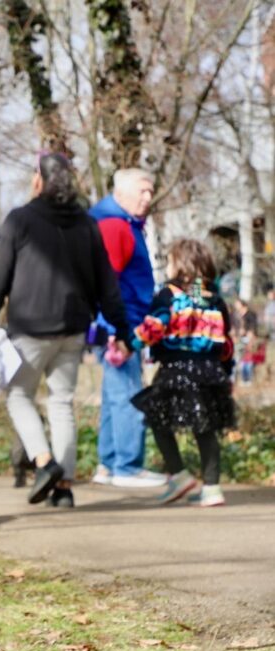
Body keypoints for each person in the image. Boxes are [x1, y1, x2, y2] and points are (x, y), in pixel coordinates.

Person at [0, 153, 131, 508]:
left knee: (19, 396)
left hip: (29, 329)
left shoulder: (20, 220)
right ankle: (63, 489)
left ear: (39, 180)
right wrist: (122, 329)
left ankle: (45, 462)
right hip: (73, 329)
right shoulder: (87, 223)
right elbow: (107, 284)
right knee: (61, 402)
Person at [130, 239, 235, 507]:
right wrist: (226, 372)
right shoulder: (214, 299)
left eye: (169, 261)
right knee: (205, 427)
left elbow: (154, 326)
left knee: (158, 419)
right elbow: (226, 342)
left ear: (180, 265)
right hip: (210, 371)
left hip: (175, 369)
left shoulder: (168, 295)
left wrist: (130, 343)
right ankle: (212, 487)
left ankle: (178, 475)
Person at [89, 169, 167, 489]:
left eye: (151, 191)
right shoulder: (115, 225)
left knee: (114, 395)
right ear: (120, 193)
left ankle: (108, 464)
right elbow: (107, 283)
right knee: (128, 395)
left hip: (119, 324)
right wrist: (116, 331)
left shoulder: (121, 222)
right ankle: (128, 466)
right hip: (121, 327)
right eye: (142, 191)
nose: (148, 197)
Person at [232, 297, 258, 385]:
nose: (236, 306)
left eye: (237, 304)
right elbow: (234, 327)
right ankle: (241, 379)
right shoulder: (236, 315)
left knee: (248, 359)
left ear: (242, 305)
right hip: (239, 339)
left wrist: (250, 335)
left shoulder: (251, 314)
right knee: (238, 359)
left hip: (248, 339)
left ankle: (248, 379)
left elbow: (253, 327)